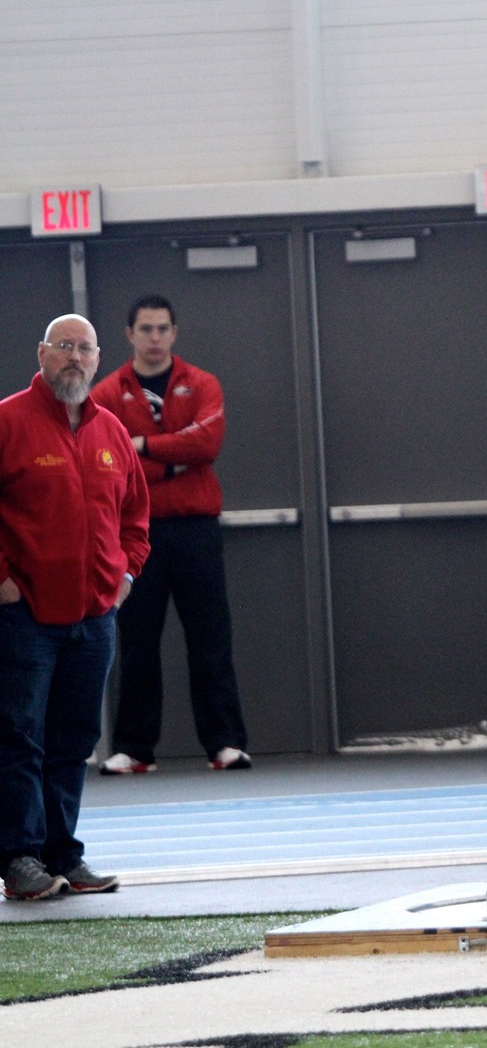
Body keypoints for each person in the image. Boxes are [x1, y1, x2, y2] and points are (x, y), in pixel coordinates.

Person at [1, 314, 149, 900]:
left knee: (73, 740)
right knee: (19, 737)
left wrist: (127, 574)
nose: (75, 358)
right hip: (25, 616)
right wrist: (3, 582)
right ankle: (19, 857)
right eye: (64, 347)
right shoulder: (9, 421)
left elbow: (136, 517)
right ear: (42, 353)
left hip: (94, 620)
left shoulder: (111, 431)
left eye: (84, 349)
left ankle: (64, 853)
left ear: (97, 359)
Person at [91, 295, 251, 774]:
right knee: (137, 640)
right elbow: (109, 460)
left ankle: (225, 742)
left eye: (163, 329)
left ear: (174, 333)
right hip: (138, 536)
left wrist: (142, 446)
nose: (155, 338)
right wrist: (174, 462)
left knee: (210, 638)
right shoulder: (105, 393)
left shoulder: (202, 383)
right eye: (146, 329)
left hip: (196, 530)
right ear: (130, 334)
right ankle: (135, 748)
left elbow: (208, 443)